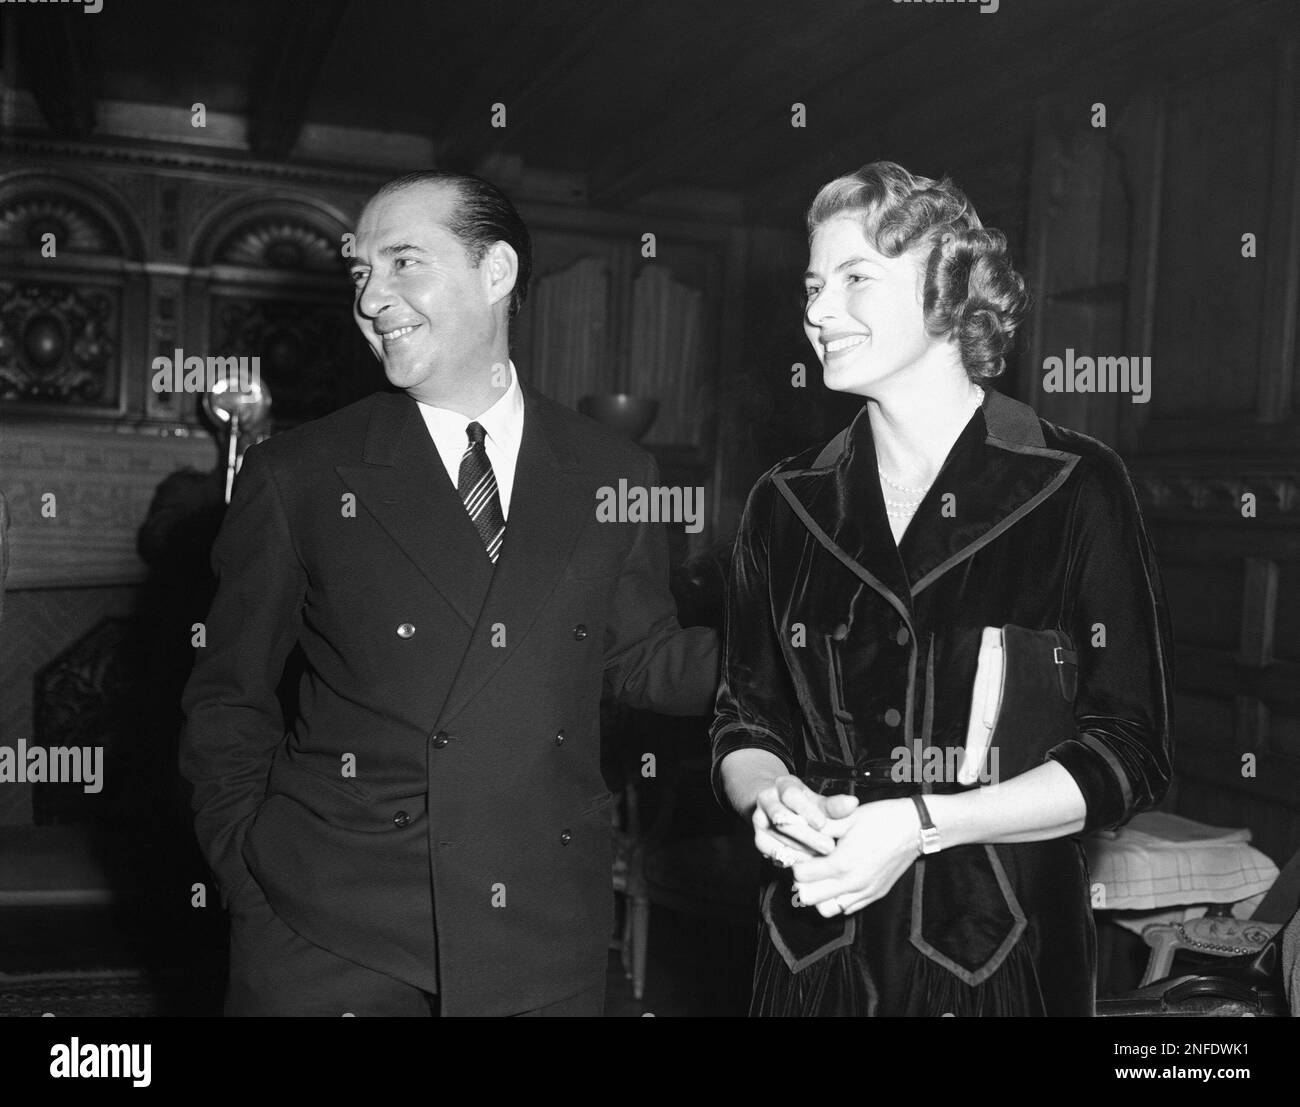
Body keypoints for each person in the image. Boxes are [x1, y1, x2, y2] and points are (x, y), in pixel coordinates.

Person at [180, 171, 717, 1017]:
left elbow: (641, 659)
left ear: (496, 271)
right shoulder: (303, 474)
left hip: (540, 934)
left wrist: (793, 645)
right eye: (360, 272)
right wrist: (251, 868)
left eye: (403, 263)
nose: (372, 299)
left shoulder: (615, 471)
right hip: (331, 933)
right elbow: (225, 698)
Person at [712, 161, 1173, 1016]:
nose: (816, 311)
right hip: (816, 949)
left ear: (950, 293)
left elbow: (1128, 753)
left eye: (855, 278)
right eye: (812, 284)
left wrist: (923, 823)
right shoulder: (783, 501)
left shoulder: (1076, 484)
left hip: (1003, 957)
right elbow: (746, 718)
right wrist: (771, 795)